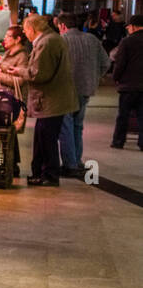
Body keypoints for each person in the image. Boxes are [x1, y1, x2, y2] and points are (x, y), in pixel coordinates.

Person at [22, 13, 79, 186]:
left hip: (52, 100)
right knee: (42, 137)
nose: (25, 34)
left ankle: (49, 175)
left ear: (31, 29)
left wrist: (16, 71)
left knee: (47, 139)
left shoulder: (47, 43)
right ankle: (40, 172)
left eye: (25, 31)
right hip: (51, 100)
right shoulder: (49, 39)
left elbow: (39, 74)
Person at [55, 12, 111, 175]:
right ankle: (76, 160)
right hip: (86, 89)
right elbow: (106, 63)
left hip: (66, 90)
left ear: (62, 26)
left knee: (65, 127)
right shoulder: (92, 39)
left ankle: (69, 164)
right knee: (78, 126)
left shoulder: (62, 41)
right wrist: (94, 77)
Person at [0, 24, 33, 176]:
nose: (5, 39)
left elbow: (20, 80)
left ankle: (11, 165)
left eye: (9, 36)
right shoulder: (9, 52)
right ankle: (10, 165)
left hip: (11, 100)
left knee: (10, 131)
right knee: (9, 133)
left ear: (18, 39)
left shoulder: (22, 56)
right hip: (2, 98)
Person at [110, 14, 143, 150]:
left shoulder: (127, 42)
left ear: (134, 27)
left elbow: (120, 63)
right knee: (142, 116)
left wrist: (115, 77)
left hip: (128, 86)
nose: (128, 28)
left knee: (123, 115)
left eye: (129, 26)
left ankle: (118, 141)